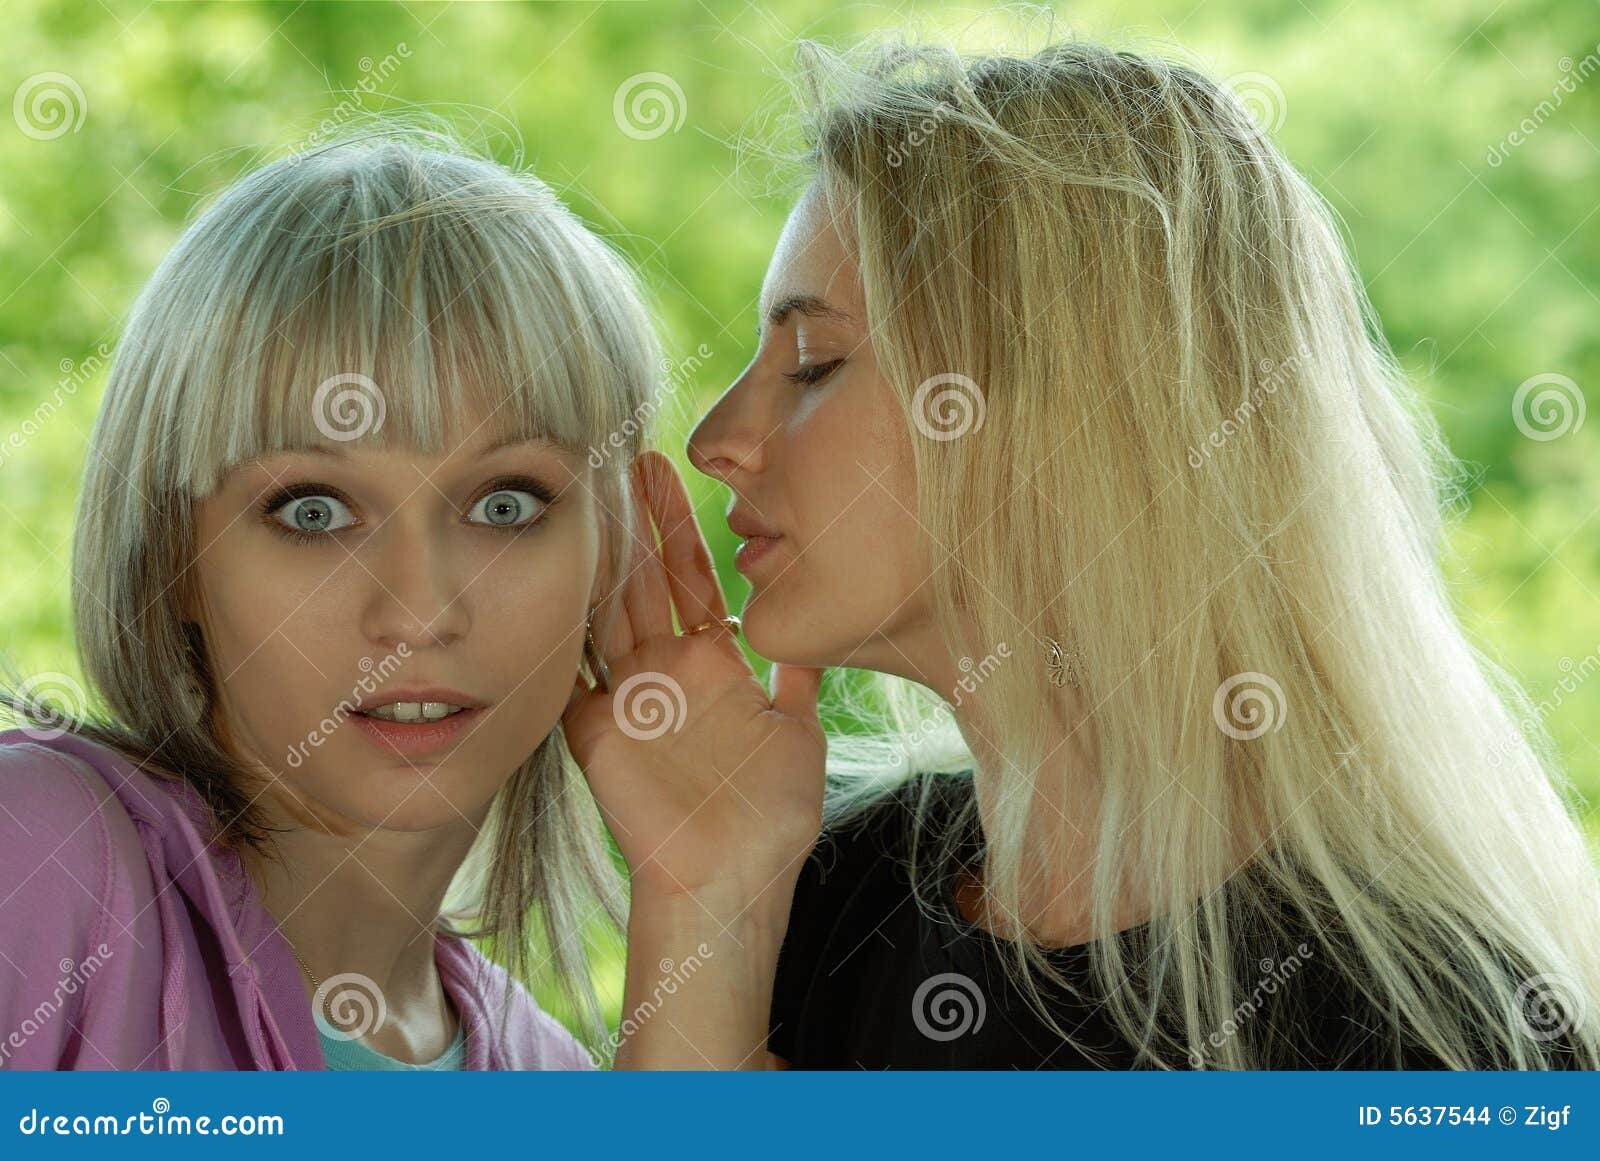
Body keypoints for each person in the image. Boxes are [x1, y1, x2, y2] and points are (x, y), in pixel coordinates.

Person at [676, 37, 1600, 1069]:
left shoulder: (1434, 1031)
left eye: (813, 364)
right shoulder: (825, 885)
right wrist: (706, 895)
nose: (714, 438)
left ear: (1070, 415)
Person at [0, 122, 664, 1070]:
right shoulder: (32, 854)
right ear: (171, 558)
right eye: (313, 511)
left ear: (612, 552)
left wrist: (706, 900)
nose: (421, 611)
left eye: (506, 502)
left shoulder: (553, 1077)